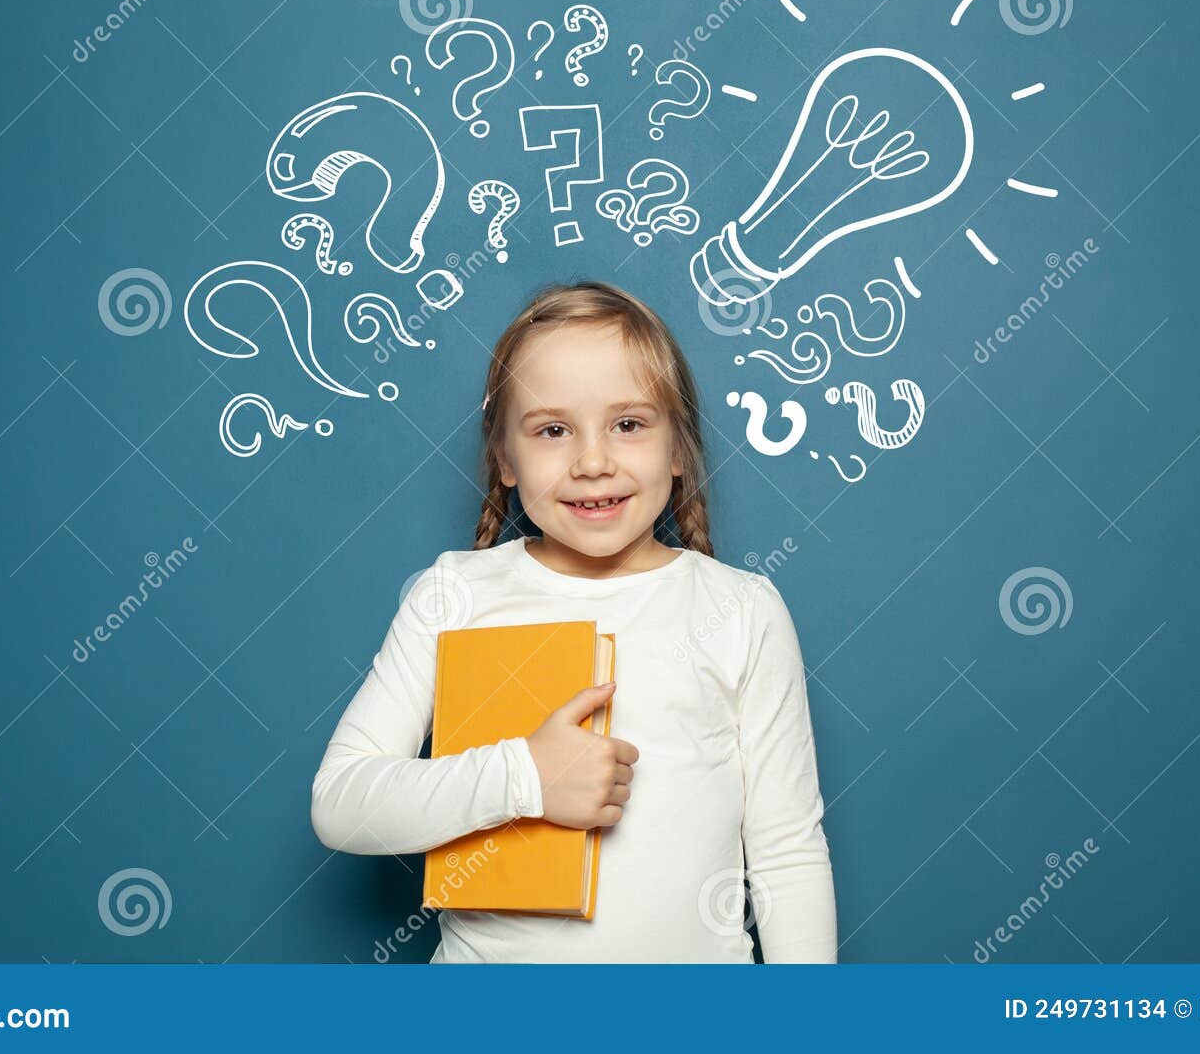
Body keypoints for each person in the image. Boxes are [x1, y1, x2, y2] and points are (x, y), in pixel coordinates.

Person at [310, 280, 837, 962]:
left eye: (629, 423)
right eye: (553, 430)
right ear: (505, 458)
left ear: (678, 449)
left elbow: (787, 851)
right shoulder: (455, 596)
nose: (593, 462)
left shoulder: (740, 609)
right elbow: (343, 802)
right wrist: (525, 775)